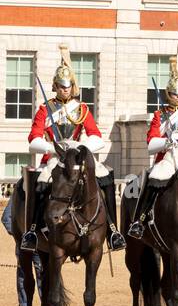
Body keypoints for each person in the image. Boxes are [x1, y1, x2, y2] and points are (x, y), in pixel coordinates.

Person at [20, 46, 124, 252]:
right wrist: (52, 147)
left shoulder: (81, 108)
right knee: (41, 183)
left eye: (68, 86)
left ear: (72, 87)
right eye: (61, 86)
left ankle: (113, 230)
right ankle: (32, 230)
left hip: (76, 156)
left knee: (106, 177)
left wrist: (81, 147)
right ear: (55, 86)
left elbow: (96, 136)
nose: (65, 90)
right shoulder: (45, 109)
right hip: (54, 157)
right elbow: (33, 139)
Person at [127, 57, 178, 240]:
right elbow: (151, 142)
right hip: (166, 159)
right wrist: (166, 142)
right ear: (168, 94)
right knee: (154, 177)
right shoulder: (160, 115)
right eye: (174, 94)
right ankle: (140, 220)